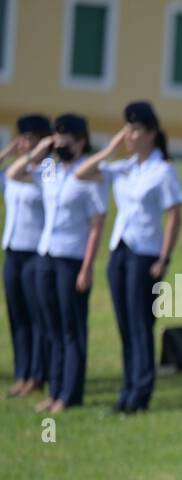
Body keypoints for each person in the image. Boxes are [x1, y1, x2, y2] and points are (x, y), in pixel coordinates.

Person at [77, 101, 182, 414]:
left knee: (141, 326)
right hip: (120, 251)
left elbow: (175, 216)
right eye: (127, 129)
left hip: (146, 254)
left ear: (151, 133)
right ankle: (127, 390)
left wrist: (164, 258)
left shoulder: (163, 170)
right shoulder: (123, 168)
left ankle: (141, 393)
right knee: (124, 326)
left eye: (136, 130)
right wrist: (111, 148)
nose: (130, 135)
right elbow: (82, 173)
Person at [8, 114, 106, 414]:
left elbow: (96, 224)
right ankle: (53, 390)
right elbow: (15, 173)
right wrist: (45, 147)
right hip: (45, 255)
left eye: (67, 138)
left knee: (71, 330)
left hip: (72, 258)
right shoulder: (51, 169)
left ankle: (69, 394)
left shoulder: (88, 175)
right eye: (57, 137)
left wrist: (87, 267)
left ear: (81, 141)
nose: (61, 143)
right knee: (51, 328)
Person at [2, 115, 51, 399]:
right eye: (22, 138)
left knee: (36, 318)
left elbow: (18, 173)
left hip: (36, 251)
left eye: (30, 138)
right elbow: (8, 173)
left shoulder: (49, 171)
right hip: (13, 250)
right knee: (17, 316)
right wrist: (10, 152)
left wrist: (36, 154)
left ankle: (37, 374)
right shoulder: (16, 168)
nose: (24, 144)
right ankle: (22, 373)